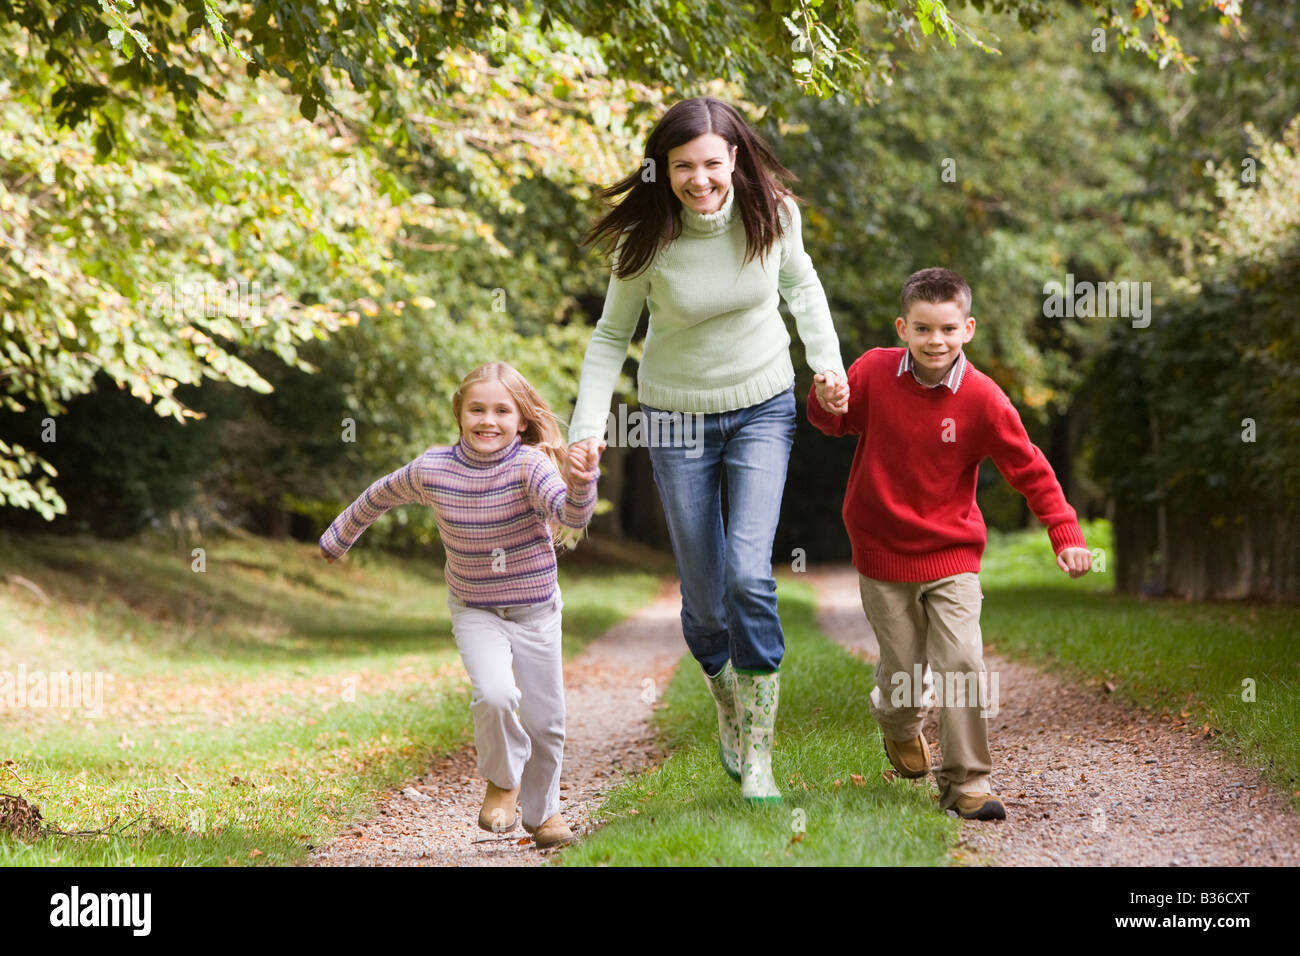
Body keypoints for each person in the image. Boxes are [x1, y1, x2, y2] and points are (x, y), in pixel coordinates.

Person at [566, 96, 849, 805]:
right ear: (662, 169)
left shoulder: (774, 213)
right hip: (674, 418)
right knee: (703, 599)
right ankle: (727, 696)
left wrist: (828, 363)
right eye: (683, 166)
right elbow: (609, 338)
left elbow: (801, 285)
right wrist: (586, 425)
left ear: (735, 159)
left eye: (711, 164)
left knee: (749, 577)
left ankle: (759, 757)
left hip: (761, 407)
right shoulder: (649, 239)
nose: (699, 179)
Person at [806, 267, 1092, 820]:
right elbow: (832, 422)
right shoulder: (874, 372)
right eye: (922, 329)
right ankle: (899, 725)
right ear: (903, 328)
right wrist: (825, 397)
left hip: (951, 555)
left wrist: (1065, 533)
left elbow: (1028, 467)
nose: (935, 341)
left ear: (968, 329)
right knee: (904, 675)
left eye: (946, 329)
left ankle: (967, 784)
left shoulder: (983, 399)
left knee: (962, 661)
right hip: (882, 553)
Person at [320, 362, 601, 847]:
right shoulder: (434, 468)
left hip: (535, 609)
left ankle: (544, 815)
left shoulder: (529, 465)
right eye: (476, 409)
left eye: (501, 411)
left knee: (546, 721)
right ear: (459, 413)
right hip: (475, 607)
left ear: (520, 419)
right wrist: (338, 537)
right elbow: (378, 495)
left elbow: (568, 515)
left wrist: (580, 483)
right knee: (493, 694)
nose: (487, 420)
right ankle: (502, 780)